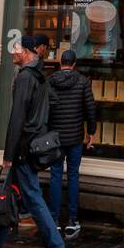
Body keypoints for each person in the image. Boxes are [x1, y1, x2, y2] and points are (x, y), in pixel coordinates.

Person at [0, 36, 68, 248]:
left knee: (33, 200)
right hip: (31, 147)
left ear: (27, 52)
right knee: (7, 199)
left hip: (23, 149)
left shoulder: (25, 77)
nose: (13, 51)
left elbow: (17, 117)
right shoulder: (40, 76)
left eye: (17, 47)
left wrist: (9, 153)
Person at [47, 49, 96, 238]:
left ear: (61, 63)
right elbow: (90, 108)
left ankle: (53, 218)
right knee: (73, 175)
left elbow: (46, 108)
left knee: (55, 176)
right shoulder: (82, 81)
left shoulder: (50, 81)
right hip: (75, 137)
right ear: (74, 64)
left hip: (56, 137)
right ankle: (72, 220)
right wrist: (91, 132)